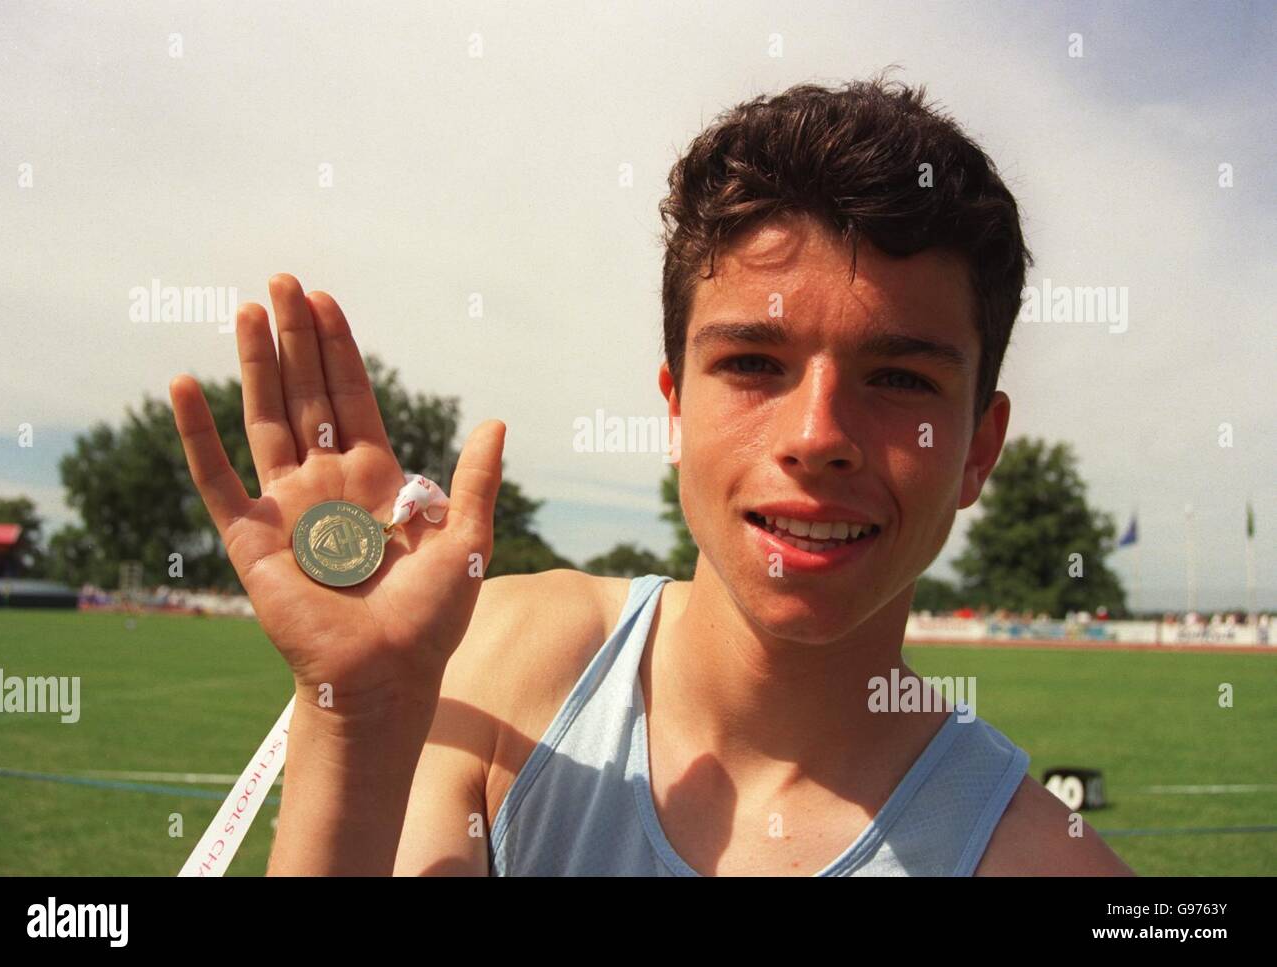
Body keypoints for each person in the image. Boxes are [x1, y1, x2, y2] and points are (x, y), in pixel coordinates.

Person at [169, 75, 1133, 876]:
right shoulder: (509, 666)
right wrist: (359, 725)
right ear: (675, 408)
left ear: (977, 446)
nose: (817, 434)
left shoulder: (1043, 863)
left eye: (899, 377)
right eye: (754, 363)